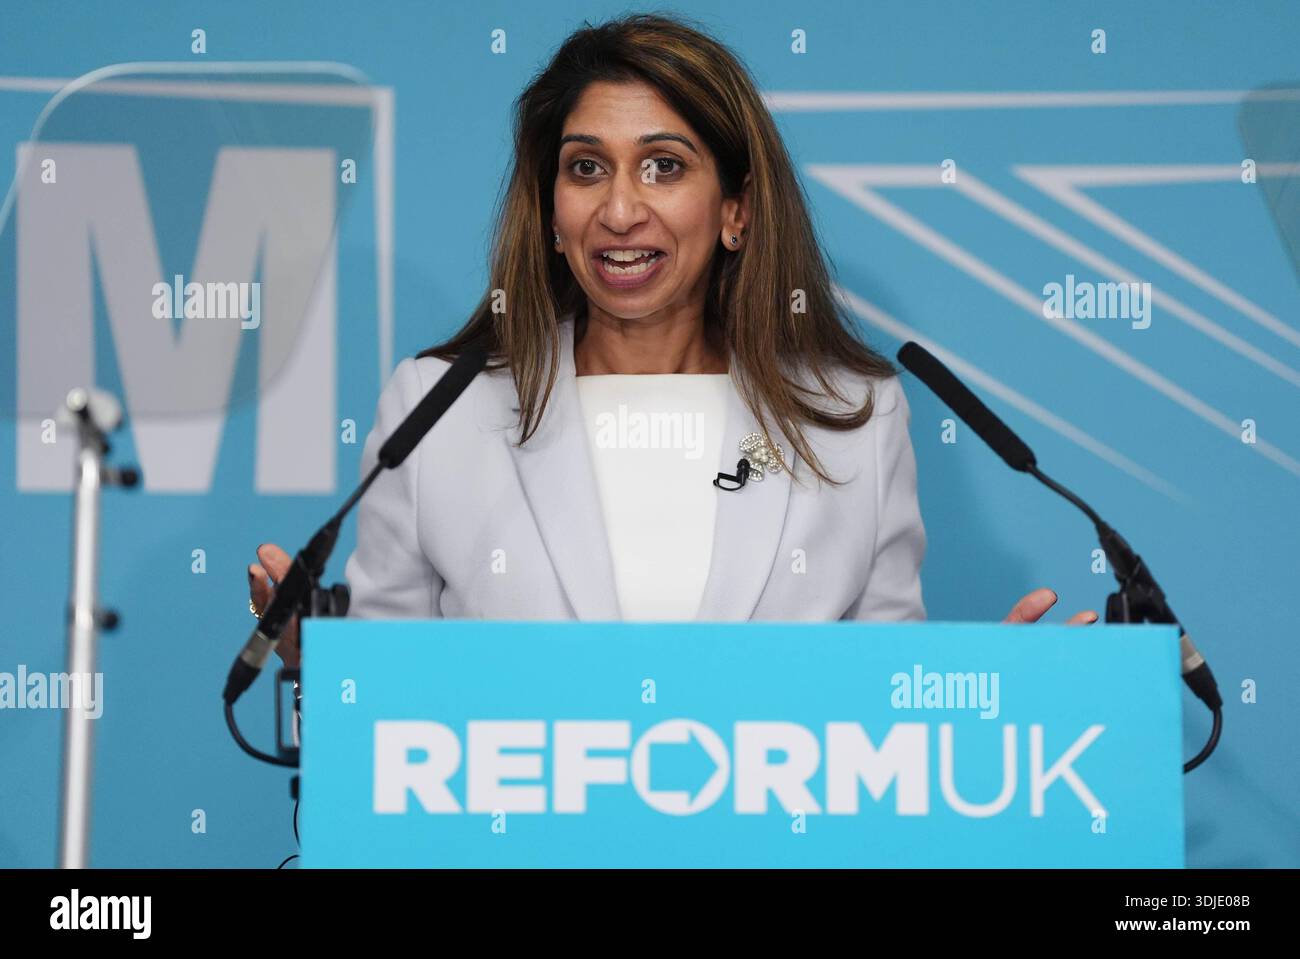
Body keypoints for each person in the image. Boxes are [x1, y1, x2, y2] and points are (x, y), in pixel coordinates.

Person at [248, 13, 1096, 668]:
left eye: (664, 165)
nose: (620, 209)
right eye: (586, 168)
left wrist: (996, 697)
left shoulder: (854, 417)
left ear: (736, 210)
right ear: (549, 214)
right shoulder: (437, 410)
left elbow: (879, 705)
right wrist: (318, 667)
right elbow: (389, 706)